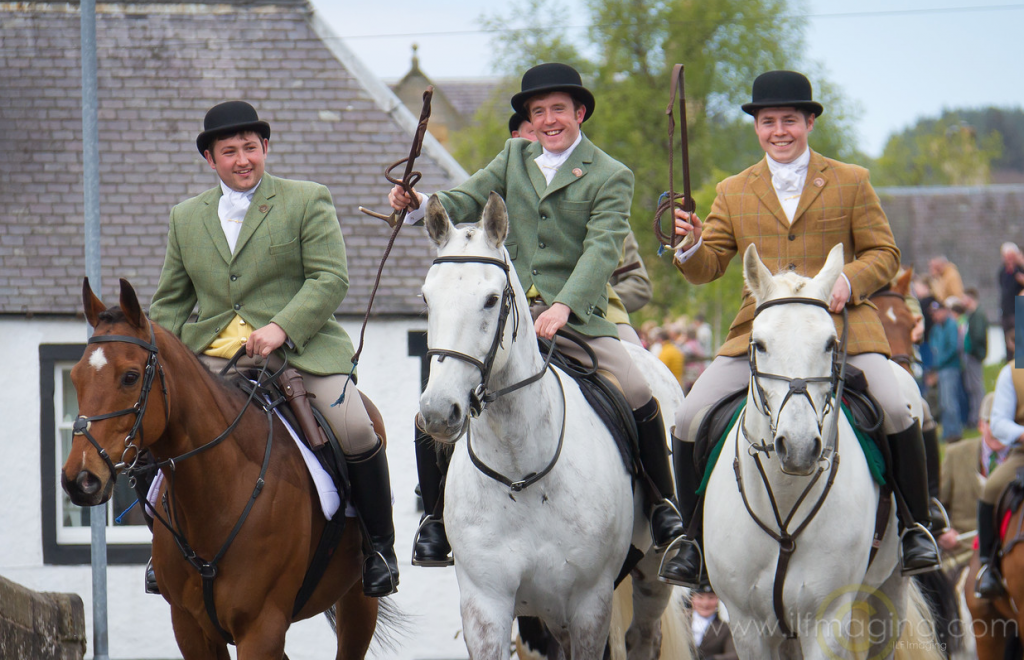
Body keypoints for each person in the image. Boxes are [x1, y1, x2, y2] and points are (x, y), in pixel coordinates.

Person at [392, 62, 684, 566]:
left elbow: (601, 249)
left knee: (637, 391)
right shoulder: (513, 155)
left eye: (558, 110)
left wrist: (566, 305)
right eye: (538, 111)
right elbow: (464, 196)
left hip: (576, 317)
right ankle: (437, 519)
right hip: (506, 312)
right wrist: (421, 202)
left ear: (579, 113)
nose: (548, 120)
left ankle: (663, 508)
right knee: (437, 400)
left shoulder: (612, 175)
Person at [659, 70, 940, 587]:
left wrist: (849, 281)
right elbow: (710, 266)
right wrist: (693, 245)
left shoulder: (850, 180)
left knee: (899, 404)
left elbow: (885, 254)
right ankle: (692, 541)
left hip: (840, 328)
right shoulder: (733, 190)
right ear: (757, 128)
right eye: (768, 122)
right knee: (690, 415)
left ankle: (917, 527)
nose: (779, 130)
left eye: (790, 119)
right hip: (760, 335)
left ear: (809, 121)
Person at [148, 101, 399, 597]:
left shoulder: (307, 199)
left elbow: (331, 278)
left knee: (355, 428)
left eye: (250, 148)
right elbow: (170, 303)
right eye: (229, 151)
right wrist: (158, 358)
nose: (242, 159)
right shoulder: (185, 218)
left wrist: (282, 327)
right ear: (209, 159)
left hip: (301, 353)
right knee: (152, 428)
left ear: (265, 148)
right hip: (215, 357)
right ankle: (165, 549)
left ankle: (379, 550)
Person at [508, 109, 653, 346]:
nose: (543, 138)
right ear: (516, 138)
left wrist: (584, 299)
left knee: (634, 375)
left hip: (589, 314)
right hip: (515, 311)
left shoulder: (600, 195)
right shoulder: (503, 193)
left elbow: (638, 284)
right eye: (532, 132)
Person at [975, 364, 1024, 597]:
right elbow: (999, 423)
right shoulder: (1012, 373)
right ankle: (989, 566)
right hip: (1023, 452)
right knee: (991, 489)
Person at [938, 393, 1003, 568]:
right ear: (981, 425)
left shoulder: (1019, 459)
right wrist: (942, 532)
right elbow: (937, 504)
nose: (998, 430)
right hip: (961, 555)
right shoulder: (955, 454)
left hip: (1010, 554)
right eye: (991, 423)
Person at [930, 299, 963, 441]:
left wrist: (939, 362)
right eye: (933, 313)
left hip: (950, 368)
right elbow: (933, 347)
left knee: (950, 401)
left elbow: (953, 347)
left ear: (944, 311)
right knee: (943, 402)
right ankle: (947, 432)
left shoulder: (951, 325)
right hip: (940, 369)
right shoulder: (936, 328)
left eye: (937, 312)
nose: (935, 315)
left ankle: (955, 432)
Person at [959, 289, 988, 427]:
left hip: (974, 356)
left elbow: (978, 336)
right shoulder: (971, 315)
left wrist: (974, 351)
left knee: (977, 388)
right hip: (969, 356)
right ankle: (974, 416)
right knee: (971, 387)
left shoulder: (978, 315)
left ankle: (980, 417)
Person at [688, 584, 738, 660]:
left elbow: (734, 655)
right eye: (700, 597)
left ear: (717, 600)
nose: (705, 603)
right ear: (692, 598)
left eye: (711, 598)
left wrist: (714, 659)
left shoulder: (726, 629)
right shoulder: (680, 621)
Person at [998, 242, 1024, 360]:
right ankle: (1010, 365)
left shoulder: (1020, 271)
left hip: (1018, 310)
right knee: (1008, 341)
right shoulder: (1002, 272)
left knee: (1018, 341)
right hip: (1006, 311)